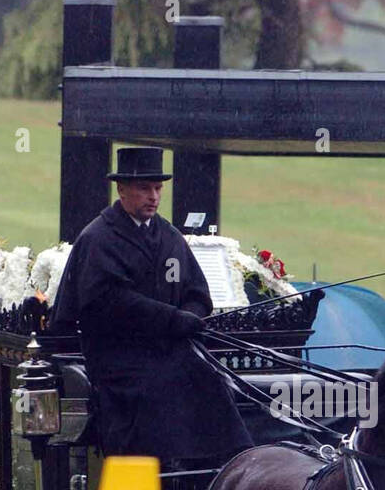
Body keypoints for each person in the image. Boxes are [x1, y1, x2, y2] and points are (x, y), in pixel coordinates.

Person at [49, 145, 251, 469]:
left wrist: (193, 317)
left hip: (169, 351)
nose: (153, 196)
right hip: (119, 360)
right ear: (122, 189)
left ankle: (221, 468)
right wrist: (172, 319)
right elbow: (110, 301)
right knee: (159, 387)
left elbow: (197, 292)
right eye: (145, 188)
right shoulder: (99, 238)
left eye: (158, 189)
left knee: (211, 379)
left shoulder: (169, 236)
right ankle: (160, 473)